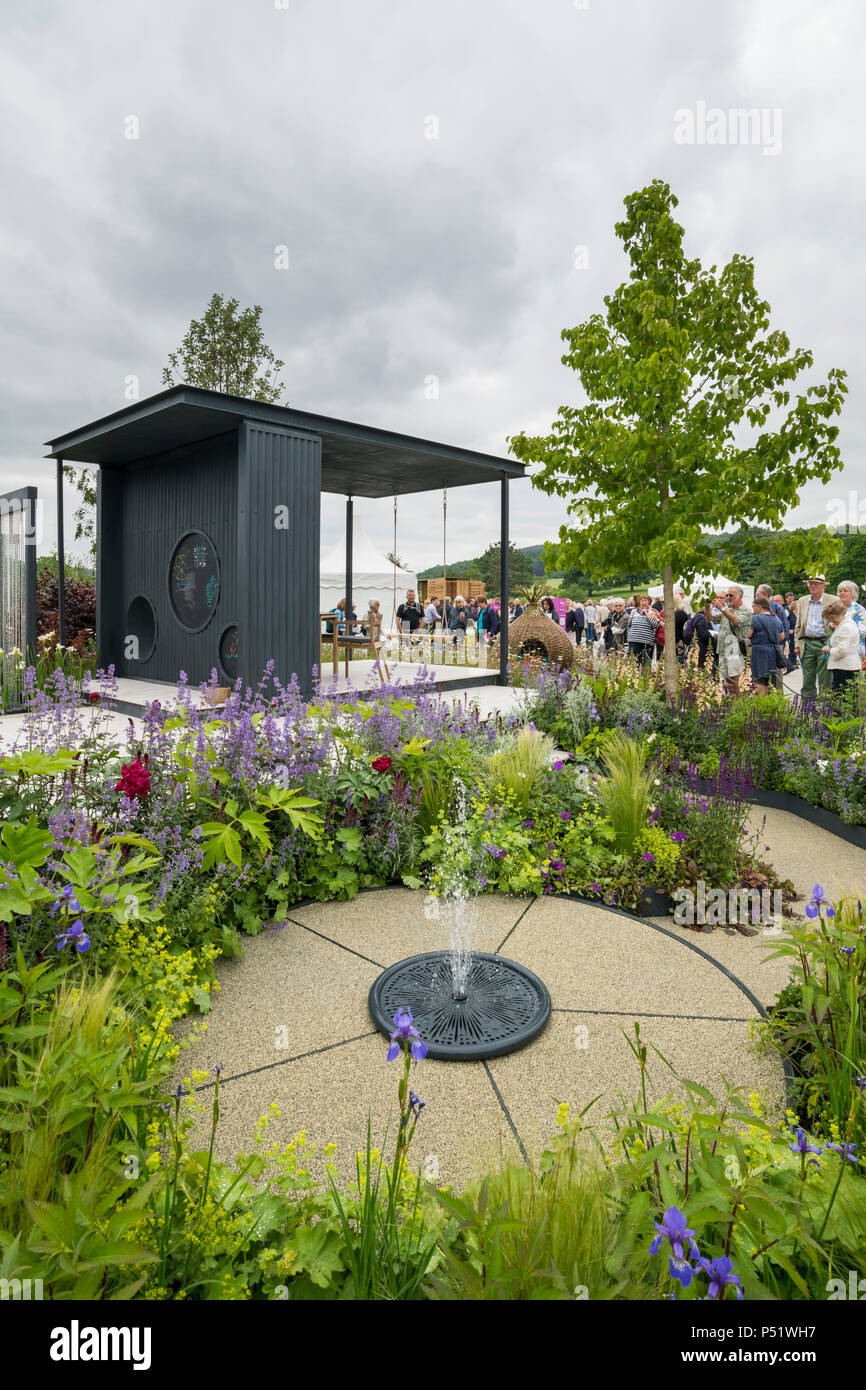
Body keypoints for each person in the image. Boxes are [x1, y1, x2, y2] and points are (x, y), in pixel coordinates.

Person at [794, 576, 833, 698]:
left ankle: (825, 707)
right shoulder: (802, 601)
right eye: (811, 583)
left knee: (824, 678)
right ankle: (807, 708)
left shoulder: (833, 600)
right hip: (807, 643)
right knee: (807, 678)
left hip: (824, 643)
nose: (813, 586)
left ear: (823, 586)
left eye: (816, 584)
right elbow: (798, 625)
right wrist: (796, 645)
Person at [715, 585, 753, 696]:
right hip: (723, 649)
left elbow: (736, 622)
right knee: (726, 680)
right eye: (726, 595)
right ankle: (730, 704)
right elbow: (710, 618)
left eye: (730, 595)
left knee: (736, 678)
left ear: (740, 596)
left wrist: (722, 608)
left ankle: (740, 705)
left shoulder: (745, 610)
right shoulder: (728, 610)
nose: (727, 597)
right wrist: (708, 606)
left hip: (735, 649)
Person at [822, 598, 862, 694]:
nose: (830, 621)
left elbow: (842, 650)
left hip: (845, 669)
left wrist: (829, 650)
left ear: (836, 615)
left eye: (830, 618)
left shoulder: (846, 627)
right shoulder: (844, 625)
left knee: (842, 698)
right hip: (844, 667)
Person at [756, 584, 792, 687]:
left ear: (765, 595)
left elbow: (785, 625)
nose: (756, 596)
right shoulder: (756, 606)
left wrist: (782, 642)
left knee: (776, 669)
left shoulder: (777, 607)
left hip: (776, 644)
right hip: (760, 644)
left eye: (757, 594)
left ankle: (778, 695)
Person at [747, 595, 784, 695]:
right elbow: (781, 637)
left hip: (759, 652)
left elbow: (748, 634)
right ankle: (770, 702)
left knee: (759, 679)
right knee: (770, 680)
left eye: (753, 606)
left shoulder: (755, 619)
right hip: (772, 652)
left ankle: (760, 703)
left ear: (759, 606)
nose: (753, 609)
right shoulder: (777, 619)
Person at [836, 581, 866, 667]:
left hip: (856, 652)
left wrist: (844, 633)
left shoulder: (859, 610)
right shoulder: (837, 609)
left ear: (853, 594)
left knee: (855, 680)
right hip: (839, 651)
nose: (842, 593)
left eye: (845, 591)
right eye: (840, 591)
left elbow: (863, 631)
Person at [626, 595, 660, 666]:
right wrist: (629, 638)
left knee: (646, 663)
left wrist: (647, 615)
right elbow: (629, 625)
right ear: (639, 602)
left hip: (646, 641)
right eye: (642, 601)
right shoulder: (633, 611)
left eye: (646, 600)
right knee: (633, 662)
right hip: (634, 640)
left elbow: (656, 625)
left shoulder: (653, 612)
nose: (644, 602)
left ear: (649, 602)